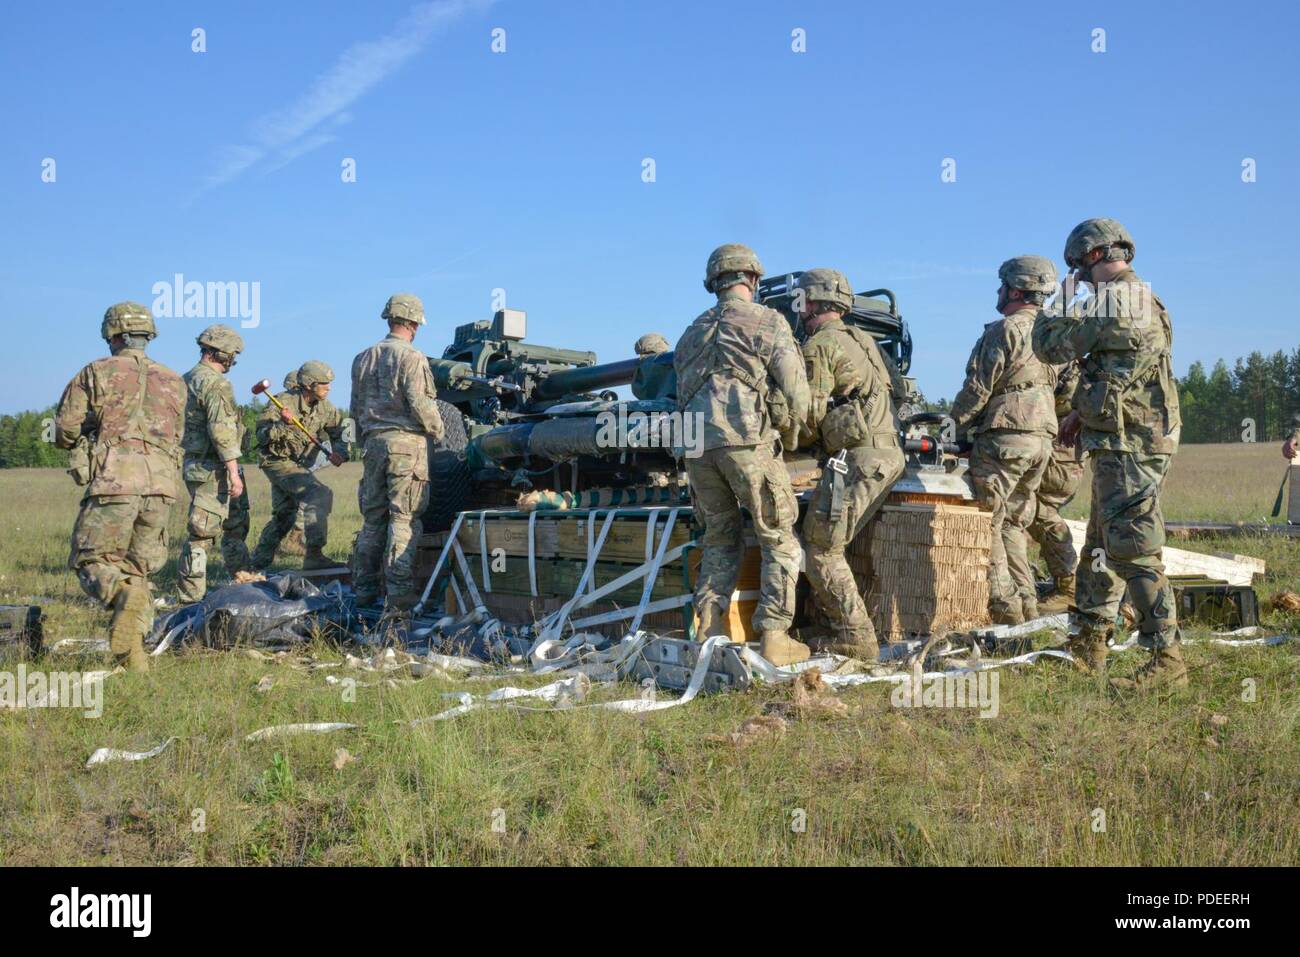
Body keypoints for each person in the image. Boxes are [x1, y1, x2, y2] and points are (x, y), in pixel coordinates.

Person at [1033, 218, 1185, 691]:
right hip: (1126, 436)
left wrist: (1059, 298)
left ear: (1092, 257)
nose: (1076, 273)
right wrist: (1084, 412)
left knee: (1134, 549)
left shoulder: (1111, 302)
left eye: (1077, 266)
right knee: (1101, 543)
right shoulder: (1143, 298)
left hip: (1129, 443)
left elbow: (1047, 346)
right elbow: (1124, 373)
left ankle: (1167, 661)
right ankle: (1089, 643)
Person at [673, 244, 810, 665]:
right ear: (752, 278)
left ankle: (711, 630)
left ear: (713, 283)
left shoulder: (690, 332)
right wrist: (793, 432)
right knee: (779, 537)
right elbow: (798, 394)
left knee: (719, 537)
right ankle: (773, 636)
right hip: (745, 441)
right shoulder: (768, 321)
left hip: (696, 449)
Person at [54, 302, 184, 672]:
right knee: (137, 570)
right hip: (161, 485)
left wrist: (84, 438)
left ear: (113, 334)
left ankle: (120, 596)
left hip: (115, 480)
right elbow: (178, 434)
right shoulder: (174, 380)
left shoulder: (95, 372)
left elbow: (65, 428)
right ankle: (134, 659)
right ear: (148, 334)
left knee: (92, 561)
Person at [795, 269, 905, 661]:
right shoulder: (863, 340)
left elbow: (807, 414)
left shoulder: (819, 346)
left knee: (820, 546)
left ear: (808, 303)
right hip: (887, 454)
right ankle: (829, 624)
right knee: (838, 540)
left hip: (855, 459)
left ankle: (855, 638)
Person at [950, 256, 1058, 624]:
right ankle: (1028, 606)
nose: (997, 291)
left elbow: (978, 388)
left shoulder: (1003, 330)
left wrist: (950, 432)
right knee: (1015, 524)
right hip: (1042, 438)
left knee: (988, 522)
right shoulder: (1053, 332)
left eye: (1001, 285)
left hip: (1006, 435)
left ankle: (1006, 612)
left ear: (1015, 289)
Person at [349, 294, 444, 611]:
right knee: (404, 520)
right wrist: (439, 430)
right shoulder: (413, 358)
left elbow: (355, 409)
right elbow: (420, 404)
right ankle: (399, 598)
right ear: (414, 323)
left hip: (373, 443)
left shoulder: (363, 358)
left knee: (373, 521)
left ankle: (363, 591)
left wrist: (367, 439)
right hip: (406, 445)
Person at [249, 360, 347, 571]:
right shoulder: (282, 403)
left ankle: (256, 565)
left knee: (285, 516)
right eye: (324, 383)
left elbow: (339, 431)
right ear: (310, 384)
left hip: (299, 464)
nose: (329, 387)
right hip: (276, 461)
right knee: (319, 494)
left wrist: (340, 452)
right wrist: (282, 424)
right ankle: (314, 555)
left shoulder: (326, 408)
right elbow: (261, 436)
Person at [177, 324, 251, 601]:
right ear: (222, 353)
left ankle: (243, 584)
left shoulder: (186, 379)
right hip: (214, 468)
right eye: (233, 354)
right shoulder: (215, 383)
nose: (234, 360)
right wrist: (234, 472)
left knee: (234, 526)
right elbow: (221, 430)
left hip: (198, 465)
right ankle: (191, 599)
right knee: (202, 535)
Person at [1027, 360, 1085, 614]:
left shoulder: (1061, 357)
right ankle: (1063, 584)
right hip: (1058, 443)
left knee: (1042, 512)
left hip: (1062, 447)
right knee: (1035, 511)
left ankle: (1069, 588)